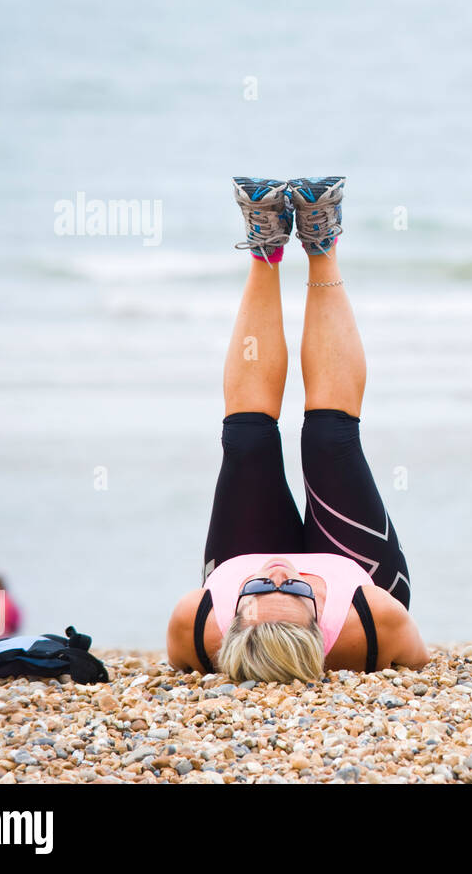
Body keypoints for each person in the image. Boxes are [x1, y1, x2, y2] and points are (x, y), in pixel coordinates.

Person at [166, 176, 427, 682]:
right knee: (330, 439)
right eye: (297, 593)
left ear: (233, 624)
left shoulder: (196, 626)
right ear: (321, 625)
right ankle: (322, 243)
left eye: (259, 591)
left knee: (246, 442)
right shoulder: (373, 625)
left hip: (246, 577)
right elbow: (418, 661)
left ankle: (265, 247)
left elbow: (180, 659)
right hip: (359, 577)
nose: (280, 575)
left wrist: (250, 587)